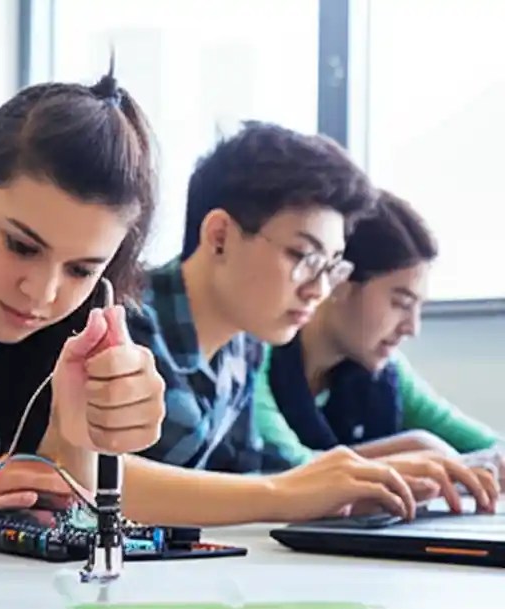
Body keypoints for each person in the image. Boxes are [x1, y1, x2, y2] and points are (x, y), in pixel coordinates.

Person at [0, 77, 449, 525]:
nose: (41, 293)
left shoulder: (78, 322)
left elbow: (62, 490)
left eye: (81, 267)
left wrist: (81, 440)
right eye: (22, 246)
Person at [119, 121, 494, 516]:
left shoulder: (245, 347)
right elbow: (94, 481)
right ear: (220, 237)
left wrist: (386, 478)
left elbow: (268, 472)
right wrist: (291, 492)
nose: (319, 290)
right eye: (304, 257)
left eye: (331, 267)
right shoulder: (128, 320)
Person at [253, 189, 501, 510]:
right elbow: (282, 470)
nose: (412, 327)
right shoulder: (255, 351)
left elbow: (486, 445)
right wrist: (413, 450)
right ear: (339, 282)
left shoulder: (386, 375)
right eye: (400, 303)